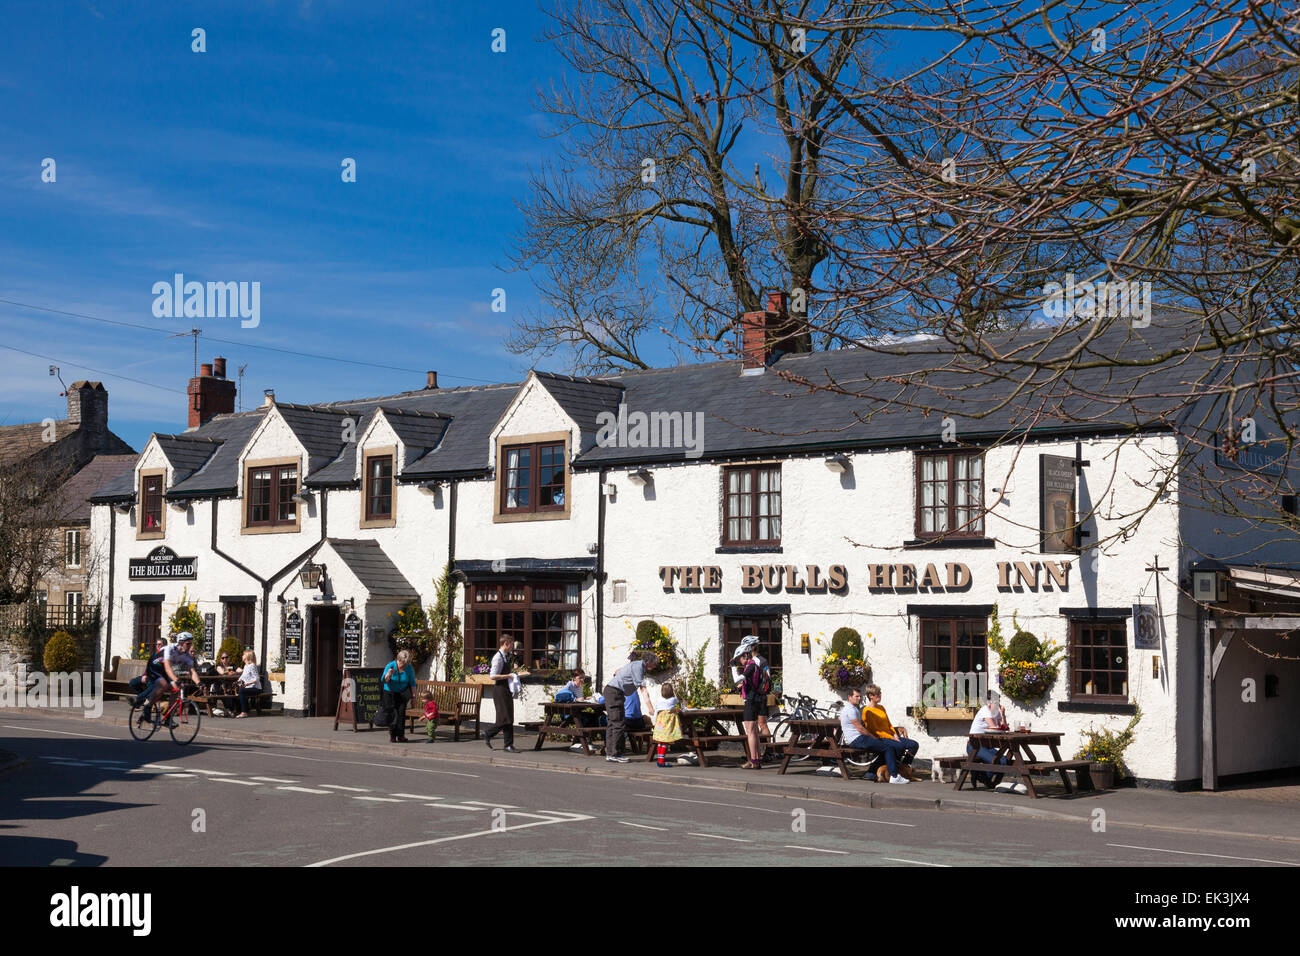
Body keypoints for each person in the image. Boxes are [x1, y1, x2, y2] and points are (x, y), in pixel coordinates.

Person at [840, 687, 910, 784]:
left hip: (857, 739)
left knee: (884, 748)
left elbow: (845, 721)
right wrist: (872, 737)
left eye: (860, 696)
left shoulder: (849, 708)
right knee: (888, 747)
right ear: (849, 697)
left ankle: (871, 773)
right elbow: (860, 728)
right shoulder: (851, 710)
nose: (859, 698)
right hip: (857, 739)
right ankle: (894, 776)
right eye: (856, 696)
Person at [602, 650, 656, 763]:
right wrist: (650, 708)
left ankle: (611, 753)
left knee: (613, 723)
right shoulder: (639, 668)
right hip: (615, 692)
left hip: (614, 692)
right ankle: (615, 754)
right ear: (648, 662)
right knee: (617, 724)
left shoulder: (637, 665)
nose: (656, 665)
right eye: (655, 663)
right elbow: (643, 690)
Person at [133, 632, 198, 723]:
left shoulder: (186, 655)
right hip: (154, 667)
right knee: (163, 685)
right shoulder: (170, 649)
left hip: (164, 671)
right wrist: (176, 679)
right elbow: (167, 668)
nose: (190, 646)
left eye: (191, 643)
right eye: (188, 644)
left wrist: (199, 683)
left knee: (176, 688)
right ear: (180, 643)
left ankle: (168, 717)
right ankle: (147, 707)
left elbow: (192, 671)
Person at [861, 684, 920, 781]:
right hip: (880, 738)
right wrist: (891, 737)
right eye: (877, 694)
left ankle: (903, 768)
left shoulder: (881, 708)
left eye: (880, 693)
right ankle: (873, 771)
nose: (880, 695)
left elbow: (888, 724)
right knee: (898, 746)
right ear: (870, 696)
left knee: (913, 744)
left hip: (890, 736)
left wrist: (894, 734)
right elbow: (874, 730)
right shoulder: (867, 711)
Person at [731, 635, 775, 763]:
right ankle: (757, 756)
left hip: (756, 697)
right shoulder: (759, 661)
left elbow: (764, 678)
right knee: (756, 728)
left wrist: (734, 668)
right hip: (759, 696)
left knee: (758, 726)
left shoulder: (757, 662)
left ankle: (766, 752)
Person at [968, 693, 1021, 792]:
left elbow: (1004, 727)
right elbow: (994, 727)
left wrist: (1003, 714)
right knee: (998, 762)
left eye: (998, 702)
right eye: (995, 702)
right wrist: (1001, 727)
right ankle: (981, 776)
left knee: (1005, 761)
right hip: (975, 746)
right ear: (988, 703)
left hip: (987, 746)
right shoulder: (985, 711)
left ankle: (982, 777)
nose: (997, 704)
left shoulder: (996, 711)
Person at [484, 638, 529, 752]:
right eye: (511, 646)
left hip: (506, 689)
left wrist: (517, 674)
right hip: (500, 690)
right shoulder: (498, 657)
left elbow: (507, 673)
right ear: (506, 644)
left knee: (509, 717)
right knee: (505, 718)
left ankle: (508, 745)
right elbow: (493, 676)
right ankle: (488, 733)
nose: (512, 648)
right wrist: (509, 676)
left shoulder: (505, 656)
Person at [382, 649, 417, 743]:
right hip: (390, 693)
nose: (405, 666)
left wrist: (414, 697)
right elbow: (384, 680)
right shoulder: (391, 666)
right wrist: (388, 674)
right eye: (403, 663)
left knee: (401, 714)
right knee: (393, 714)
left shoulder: (409, 668)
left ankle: (401, 735)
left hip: (402, 693)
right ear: (398, 660)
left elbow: (412, 683)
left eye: (406, 664)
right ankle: (392, 735)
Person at [651, 682, 683, 767]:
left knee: (660, 742)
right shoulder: (673, 699)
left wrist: (654, 723)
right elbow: (678, 702)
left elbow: (656, 710)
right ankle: (661, 762)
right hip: (668, 723)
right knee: (665, 742)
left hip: (660, 722)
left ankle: (659, 760)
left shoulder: (659, 699)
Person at [232, 650, 261, 718]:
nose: (242, 656)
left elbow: (257, 678)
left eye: (243, 655)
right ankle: (237, 710)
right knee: (237, 690)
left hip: (256, 688)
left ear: (247, 656)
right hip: (248, 687)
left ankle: (244, 712)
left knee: (241, 691)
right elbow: (242, 676)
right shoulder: (246, 666)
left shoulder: (252, 666)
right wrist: (237, 682)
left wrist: (247, 684)